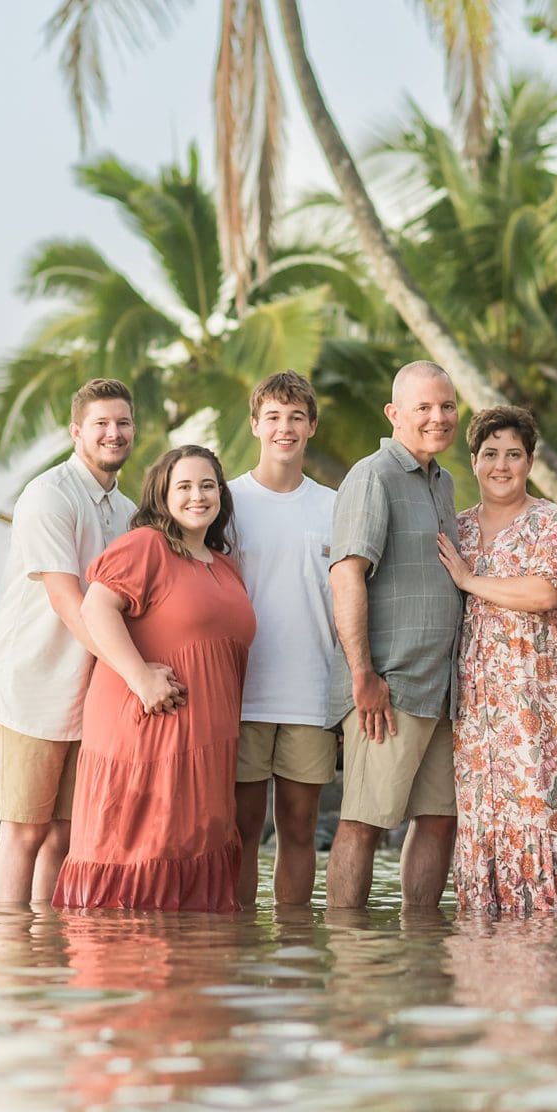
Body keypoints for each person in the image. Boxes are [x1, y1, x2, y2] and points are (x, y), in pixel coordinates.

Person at [53, 445, 255, 912]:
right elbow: (95, 608)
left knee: (191, 855)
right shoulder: (146, 546)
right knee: (138, 851)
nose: (197, 496)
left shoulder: (224, 565)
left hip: (206, 741)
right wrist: (140, 677)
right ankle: (118, 972)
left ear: (221, 494)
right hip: (147, 728)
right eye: (183, 486)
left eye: (207, 485)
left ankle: (187, 973)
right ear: (162, 496)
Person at [0, 377, 137, 905]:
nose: (112, 434)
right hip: (32, 690)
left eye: (122, 423)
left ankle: (44, 954)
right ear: (76, 432)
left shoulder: (128, 511)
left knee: (64, 837)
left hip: (88, 697)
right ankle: (12, 966)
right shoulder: (48, 495)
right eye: (101, 424)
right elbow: (67, 601)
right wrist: (135, 672)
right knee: (24, 833)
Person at [437, 405, 557, 916]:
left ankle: (551, 949)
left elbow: (546, 592)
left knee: (542, 811)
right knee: (483, 817)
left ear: (529, 462)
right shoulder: (455, 530)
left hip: (539, 696)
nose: (501, 465)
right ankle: (485, 960)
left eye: (514, 455)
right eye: (490, 454)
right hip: (478, 707)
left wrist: (470, 581)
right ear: (474, 460)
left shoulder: (555, 523)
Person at [325, 361, 464, 909]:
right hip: (390, 690)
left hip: (443, 691)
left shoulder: (444, 482)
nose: (438, 417)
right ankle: (352, 961)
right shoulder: (372, 476)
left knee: (438, 820)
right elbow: (346, 574)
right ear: (394, 414)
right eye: (424, 407)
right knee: (363, 820)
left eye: (447, 406)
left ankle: (421, 949)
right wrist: (364, 675)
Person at [228, 371, 337, 907]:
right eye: (273, 417)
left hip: (312, 696)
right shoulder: (225, 502)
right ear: (255, 425)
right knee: (241, 830)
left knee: (299, 831)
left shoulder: (335, 506)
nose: (284, 428)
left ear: (312, 426)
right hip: (242, 695)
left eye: (296, 417)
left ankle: (295, 958)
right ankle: (240, 949)